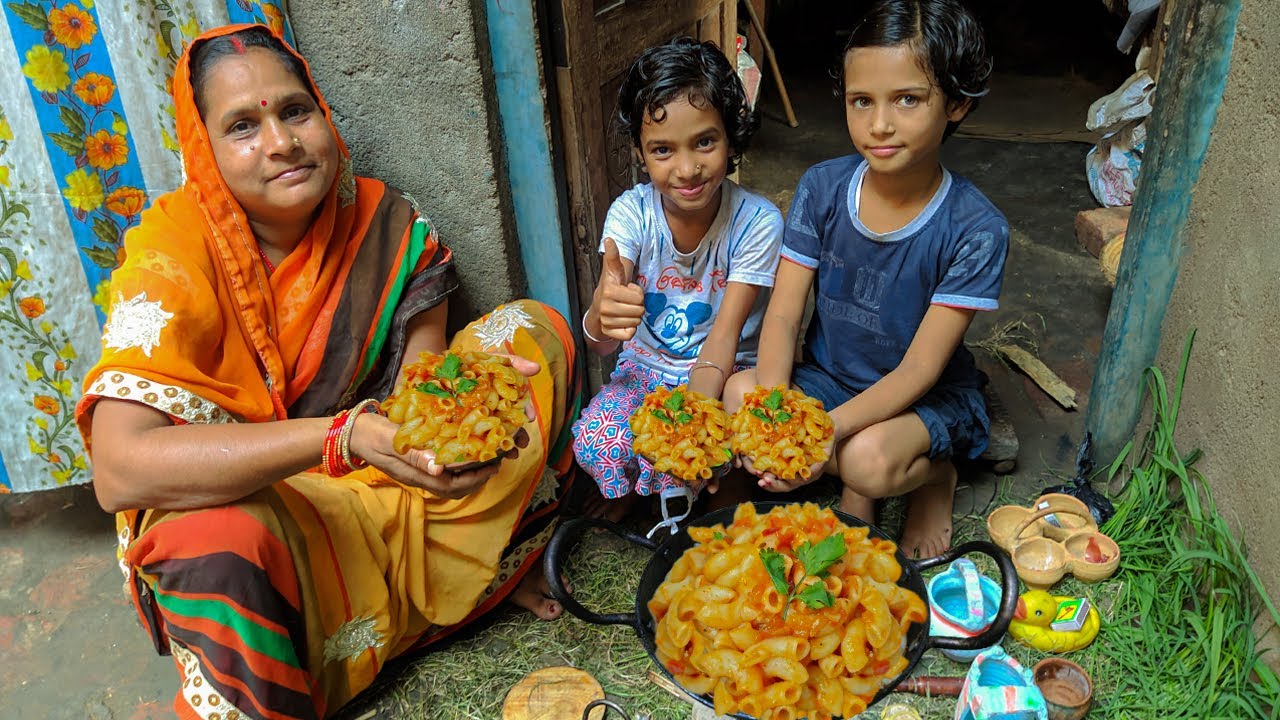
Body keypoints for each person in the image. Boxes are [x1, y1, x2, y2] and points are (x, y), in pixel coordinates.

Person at [74, 24, 579, 720]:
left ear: (324, 114)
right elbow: (120, 470)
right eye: (243, 126)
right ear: (205, 150)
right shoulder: (171, 252)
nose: (281, 142)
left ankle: (476, 583)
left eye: (294, 110)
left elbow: (415, 392)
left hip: (385, 473)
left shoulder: (383, 221)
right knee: (211, 541)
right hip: (277, 510)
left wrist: (460, 401)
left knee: (531, 333)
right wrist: (339, 438)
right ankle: (308, 662)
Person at [724, 0, 1008, 558]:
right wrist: (779, 419)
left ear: (956, 104)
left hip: (922, 396)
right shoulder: (822, 188)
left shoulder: (975, 228)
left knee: (865, 462)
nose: (879, 124)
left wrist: (820, 435)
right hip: (829, 378)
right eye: (861, 101)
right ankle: (845, 465)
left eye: (907, 99)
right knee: (741, 393)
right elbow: (783, 315)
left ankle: (934, 479)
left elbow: (921, 369)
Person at [570, 37, 783, 526]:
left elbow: (725, 337)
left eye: (704, 142)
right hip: (645, 373)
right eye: (663, 150)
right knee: (598, 441)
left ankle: (699, 487)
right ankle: (645, 484)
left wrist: (690, 424)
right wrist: (603, 316)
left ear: (731, 137)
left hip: (720, 374)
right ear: (640, 153)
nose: (686, 169)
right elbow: (600, 343)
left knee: (694, 455)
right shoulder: (631, 214)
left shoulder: (758, 222)